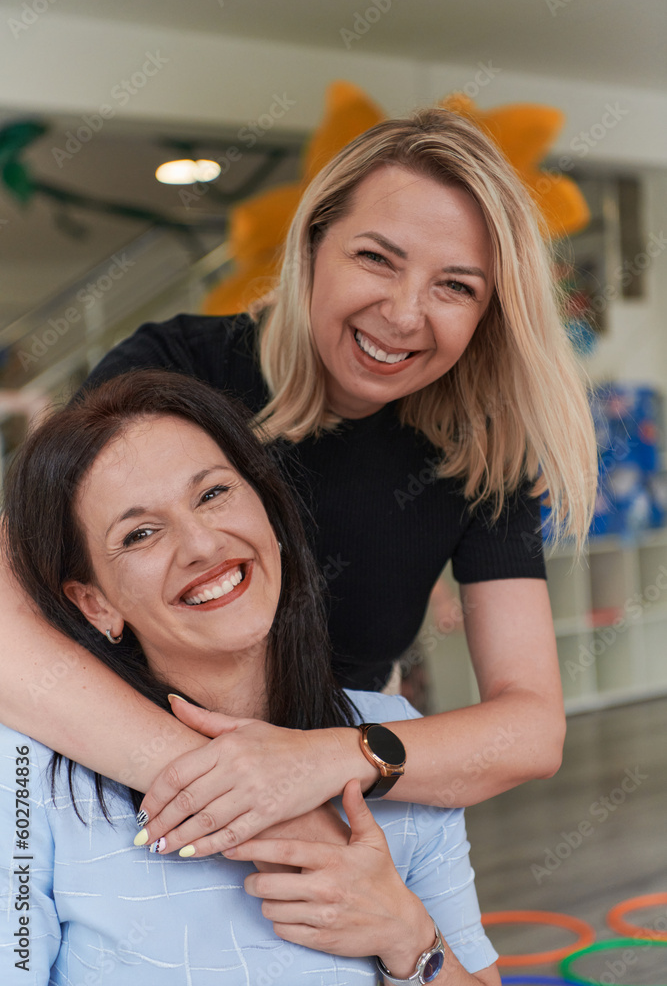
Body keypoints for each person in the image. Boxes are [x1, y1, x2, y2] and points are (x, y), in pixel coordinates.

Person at [0, 107, 598, 857]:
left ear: (488, 312)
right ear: (312, 244)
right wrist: (229, 787)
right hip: (132, 802)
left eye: (455, 286)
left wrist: (320, 763)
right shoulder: (176, 370)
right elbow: (8, 619)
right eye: (376, 258)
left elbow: (530, 728)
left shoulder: (478, 451)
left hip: (336, 810)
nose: (403, 313)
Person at [0, 370, 500, 986]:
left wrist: (407, 937)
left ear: (268, 512)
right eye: (140, 534)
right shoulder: (30, 776)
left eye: (212, 494)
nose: (202, 544)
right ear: (95, 604)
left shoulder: (393, 742)